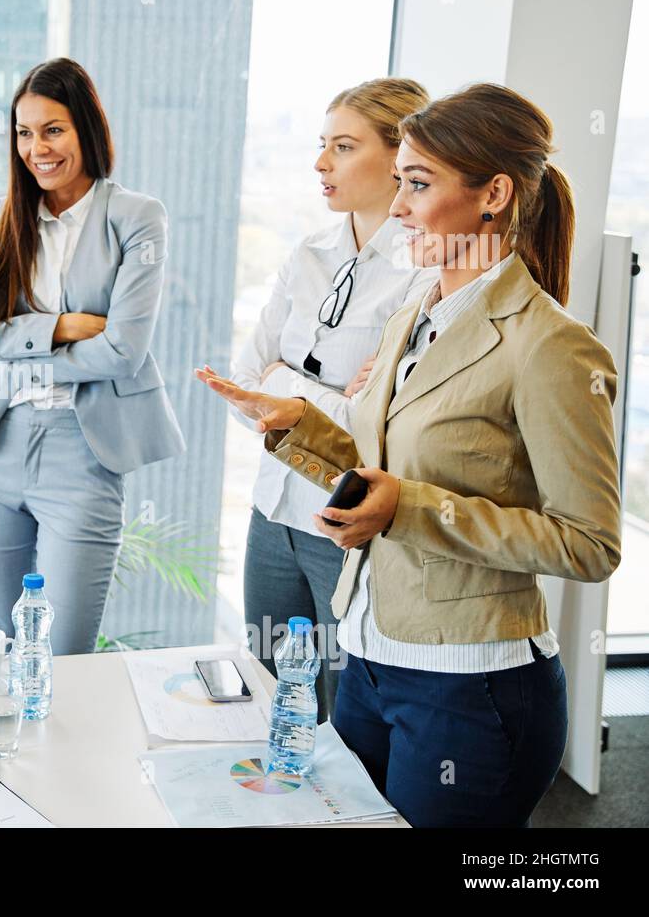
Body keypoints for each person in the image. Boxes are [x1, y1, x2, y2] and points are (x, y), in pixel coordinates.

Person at [197, 83, 621, 827]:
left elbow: (590, 544)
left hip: (471, 688)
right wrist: (296, 424)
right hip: (369, 660)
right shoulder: (416, 311)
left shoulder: (551, 346)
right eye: (399, 183)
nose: (397, 208)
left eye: (417, 186)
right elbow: (379, 463)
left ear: (492, 194)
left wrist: (412, 510)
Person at [0, 58, 185, 655]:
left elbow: (123, 352)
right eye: (24, 133)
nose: (37, 148)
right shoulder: (8, 218)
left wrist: (18, 348)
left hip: (83, 455)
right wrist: (59, 327)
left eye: (53, 129)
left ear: (86, 127)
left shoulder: (137, 216)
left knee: (65, 658)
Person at [233, 78, 432, 724]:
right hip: (272, 512)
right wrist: (322, 396)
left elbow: (380, 427)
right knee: (268, 688)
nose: (321, 164)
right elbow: (244, 384)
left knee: (345, 709)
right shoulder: (308, 254)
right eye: (323, 145)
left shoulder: (426, 274)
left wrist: (285, 381)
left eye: (343, 147)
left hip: (344, 522)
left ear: (400, 157)